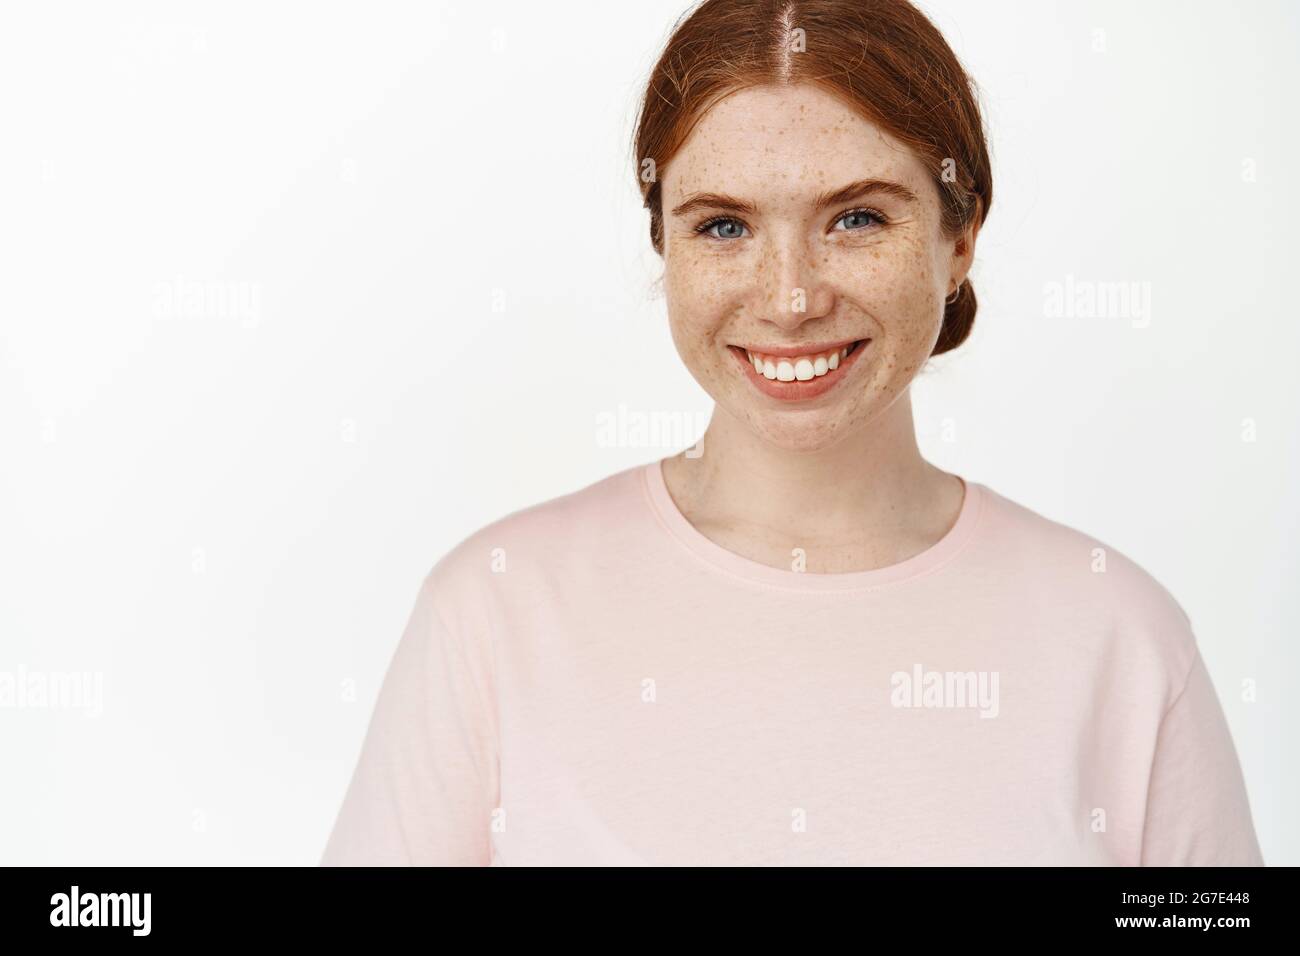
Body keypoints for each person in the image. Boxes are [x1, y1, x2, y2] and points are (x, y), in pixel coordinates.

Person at [321, 0, 1264, 866]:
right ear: (665, 244)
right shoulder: (493, 615)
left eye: (856, 218)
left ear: (959, 237)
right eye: (723, 227)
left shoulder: (1121, 638)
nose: (790, 298)